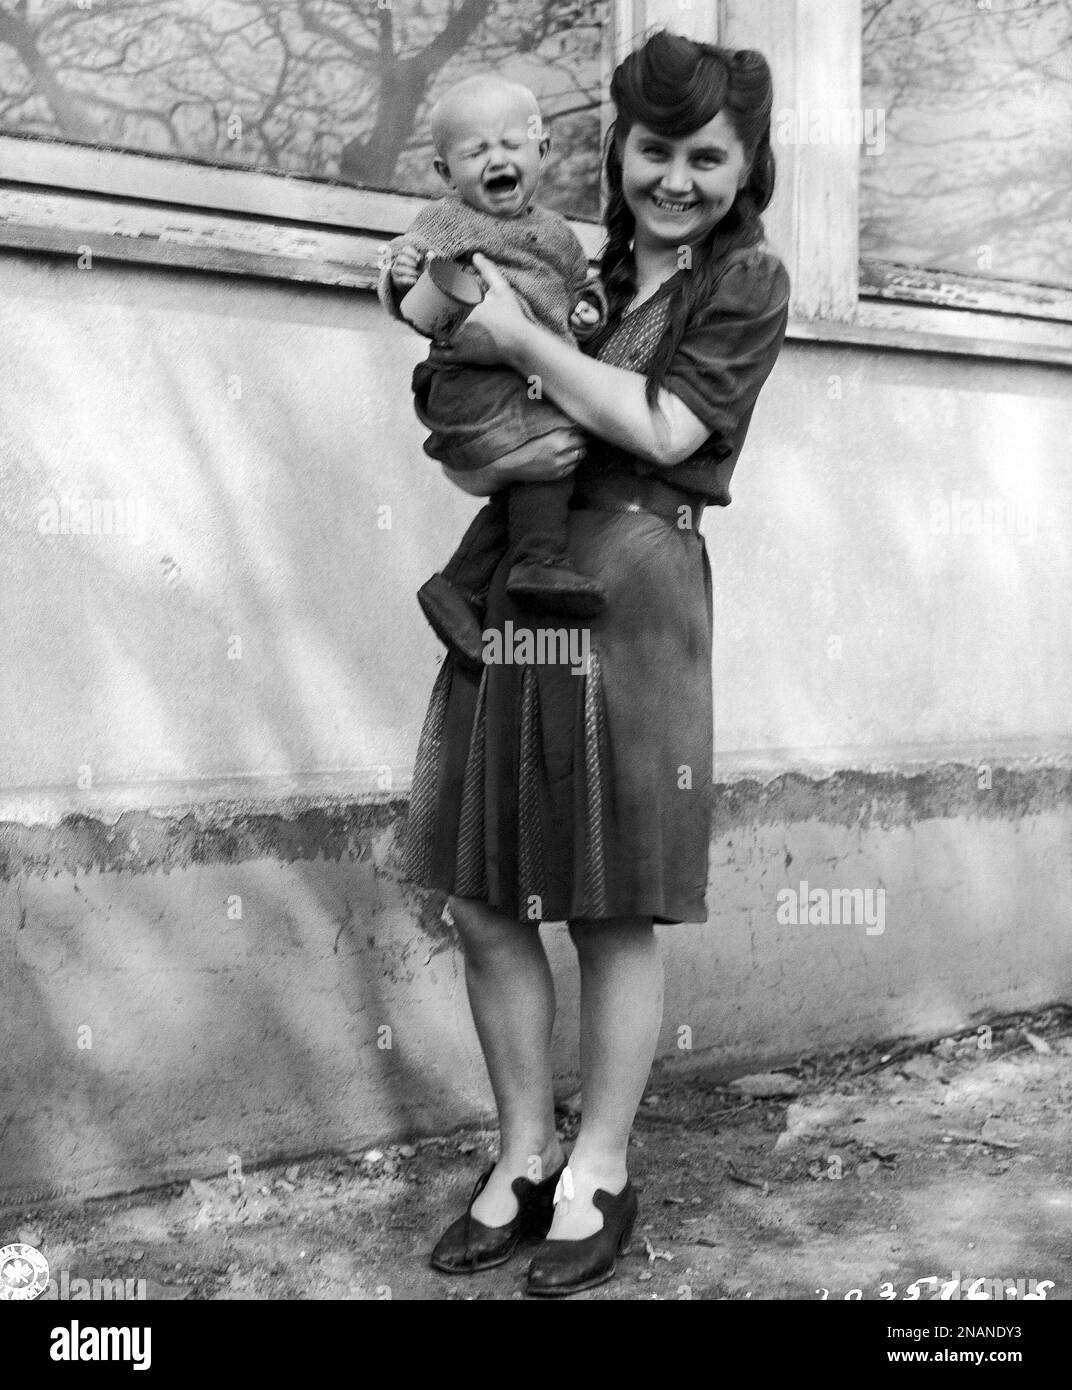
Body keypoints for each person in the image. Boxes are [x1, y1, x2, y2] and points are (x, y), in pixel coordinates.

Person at [402, 29, 791, 1297]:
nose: (674, 176)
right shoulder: (573, 259)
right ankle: (521, 1154)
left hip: (632, 588)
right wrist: (484, 447)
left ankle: (600, 1168)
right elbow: (468, 437)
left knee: (608, 897)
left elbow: (662, 425)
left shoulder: (745, 285)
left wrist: (520, 347)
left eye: (706, 156)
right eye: (654, 148)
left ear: (746, 168)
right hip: (516, 571)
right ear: (616, 147)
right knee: (478, 886)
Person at [378, 74, 610, 668]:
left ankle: (459, 586)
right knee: (554, 446)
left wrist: (587, 311)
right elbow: (423, 309)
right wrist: (404, 274)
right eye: (475, 151)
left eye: (511, 144)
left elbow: (575, 296)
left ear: (544, 151)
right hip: (468, 376)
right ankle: (537, 562)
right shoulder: (445, 222)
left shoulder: (559, 234)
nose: (497, 159)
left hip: (524, 373)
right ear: (444, 172)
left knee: (546, 466)